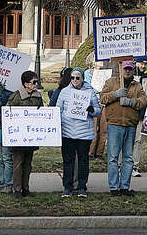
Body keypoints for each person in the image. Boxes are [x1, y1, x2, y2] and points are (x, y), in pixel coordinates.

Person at [101, 59, 147, 196]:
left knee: (128, 157)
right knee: (113, 157)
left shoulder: (137, 86)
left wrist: (131, 102)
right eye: (125, 68)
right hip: (114, 124)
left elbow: (143, 101)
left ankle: (124, 187)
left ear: (133, 70)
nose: (127, 71)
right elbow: (102, 98)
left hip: (130, 124)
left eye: (129, 69)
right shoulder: (111, 82)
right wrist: (115, 95)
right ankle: (114, 188)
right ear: (121, 69)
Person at [56, 67, 100, 197]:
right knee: (68, 160)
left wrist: (92, 110)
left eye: (78, 78)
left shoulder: (90, 92)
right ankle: (67, 187)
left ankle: (82, 186)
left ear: (82, 79)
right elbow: (58, 109)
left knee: (83, 161)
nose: (75, 80)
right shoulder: (64, 92)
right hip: (67, 131)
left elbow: (98, 110)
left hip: (84, 133)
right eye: (72, 78)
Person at [7, 70, 43, 197]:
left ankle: (25, 188)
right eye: (33, 82)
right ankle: (17, 189)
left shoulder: (37, 97)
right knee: (18, 163)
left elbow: (42, 114)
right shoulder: (16, 96)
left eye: (36, 81)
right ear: (26, 84)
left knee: (28, 164)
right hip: (18, 137)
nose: (36, 84)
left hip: (31, 136)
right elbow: (9, 115)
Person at [0, 77, 15, 194]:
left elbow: (7, 104)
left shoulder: (10, 94)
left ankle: (8, 183)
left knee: (7, 158)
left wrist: (1, 93)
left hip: (7, 130)